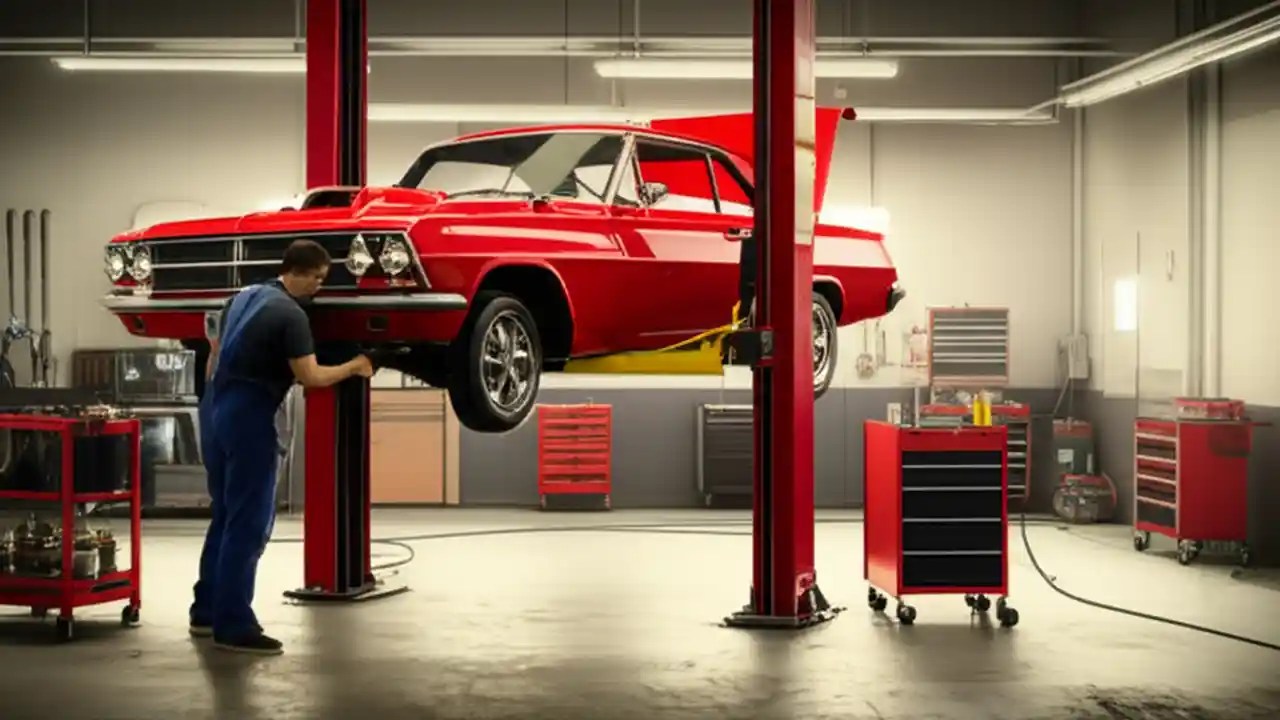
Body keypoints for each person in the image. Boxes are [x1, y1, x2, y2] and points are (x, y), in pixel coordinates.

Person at [188, 239, 374, 655]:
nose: (320, 289)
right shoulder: (292, 315)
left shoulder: (245, 296)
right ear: (303, 272)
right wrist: (356, 366)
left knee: (225, 514)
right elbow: (311, 376)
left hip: (214, 406)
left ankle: (205, 612)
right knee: (250, 522)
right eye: (320, 279)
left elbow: (213, 353)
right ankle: (234, 624)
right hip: (248, 415)